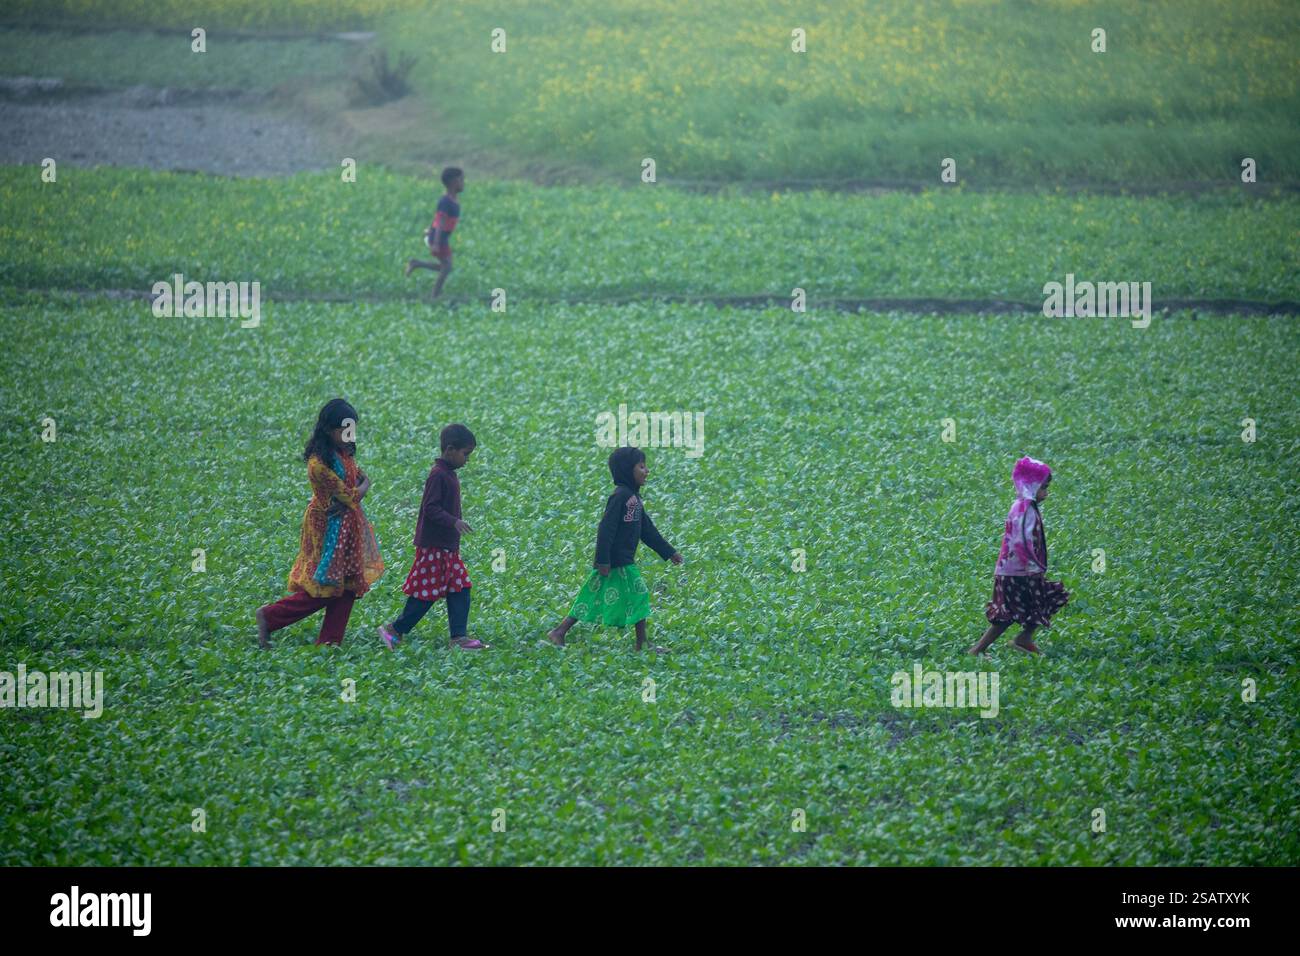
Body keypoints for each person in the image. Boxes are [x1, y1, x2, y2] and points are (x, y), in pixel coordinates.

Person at [256, 399, 384, 648]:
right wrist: (366, 485)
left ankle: (330, 640)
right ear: (328, 429)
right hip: (327, 528)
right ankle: (270, 616)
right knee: (325, 585)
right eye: (344, 430)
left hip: (348, 525)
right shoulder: (318, 465)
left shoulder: (342, 455)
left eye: (352, 430)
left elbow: (353, 485)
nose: (350, 436)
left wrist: (359, 487)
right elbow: (351, 494)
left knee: (347, 584)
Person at [547, 446, 683, 653]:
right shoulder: (621, 496)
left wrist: (669, 552)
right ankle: (642, 643)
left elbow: (647, 530)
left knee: (593, 597)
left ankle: (560, 631)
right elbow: (606, 529)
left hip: (623, 560)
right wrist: (602, 561)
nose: (647, 471)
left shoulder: (634, 498)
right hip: (616, 561)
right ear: (627, 470)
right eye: (641, 466)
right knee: (639, 594)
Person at [378, 424, 486, 650]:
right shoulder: (438, 475)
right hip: (434, 546)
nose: (467, 460)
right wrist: (454, 522)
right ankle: (393, 630)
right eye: (465, 454)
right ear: (449, 449)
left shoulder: (448, 474)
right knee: (425, 595)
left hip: (446, 547)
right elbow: (430, 508)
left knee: (460, 587)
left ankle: (458, 637)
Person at [968, 456, 1069, 655]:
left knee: (1042, 601)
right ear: (1031, 485)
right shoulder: (1024, 510)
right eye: (1043, 488)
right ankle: (978, 650)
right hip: (1018, 571)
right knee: (1008, 614)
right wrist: (1033, 566)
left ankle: (1024, 638)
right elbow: (1020, 541)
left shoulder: (1025, 507)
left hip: (1019, 570)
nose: (1046, 494)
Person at [404, 166, 464, 299]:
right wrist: (435, 242)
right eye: (461, 180)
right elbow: (441, 221)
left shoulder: (452, 200)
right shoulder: (445, 201)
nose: (463, 183)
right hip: (439, 238)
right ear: (454, 182)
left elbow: (438, 220)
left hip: (441, 237)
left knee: (446, 266)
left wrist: (430, 230)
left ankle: (416, 263)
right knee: (447, 267)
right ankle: (434, 295)